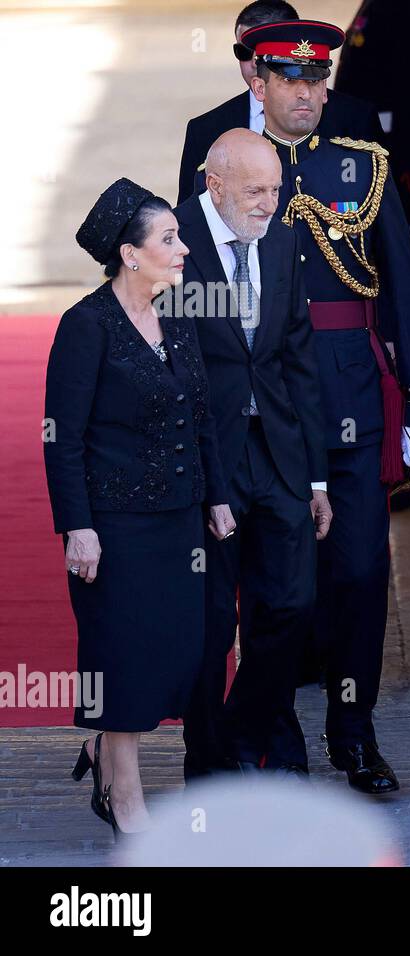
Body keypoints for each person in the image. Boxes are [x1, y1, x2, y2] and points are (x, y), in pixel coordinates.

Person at [242, 18, 410, 794]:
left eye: (317, 80)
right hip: (268, 405)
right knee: (278, 582)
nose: (307, 93)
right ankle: (281, 739)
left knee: (359, 575)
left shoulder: (365, 169)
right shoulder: (227, 169)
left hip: (352, 389)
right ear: (259, 84)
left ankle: (354, 735)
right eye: (291, 79)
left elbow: (404, 289)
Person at [45, 179, 236, 837]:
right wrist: (78, 528)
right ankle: (122, 793)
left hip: (180, 520)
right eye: (169, 239)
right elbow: (62, 437)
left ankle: (101, 744)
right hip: (114, 525)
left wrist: (216, 496)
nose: (183, 248)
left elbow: (202, 415)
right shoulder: (85, 326)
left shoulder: (177, 315)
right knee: (121, 658)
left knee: (181, 652)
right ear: (130, 253)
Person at [171, 129, 331, 781]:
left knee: (292, 603)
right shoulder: (170, 236)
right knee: (209, 621)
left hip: (280, 455)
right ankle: (207, 760)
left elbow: (298, 359)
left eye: (276, 189)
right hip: (206, 457)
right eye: (256, 191)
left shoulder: (285, 237)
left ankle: (245, 729)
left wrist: (317, 475)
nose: (271, 204)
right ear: (215, 185)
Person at [176, 0, 381, 204]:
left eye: (268, 55)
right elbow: (190, 225)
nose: (257, 62)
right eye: (245, 52)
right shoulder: (204, 130)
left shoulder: (356, 117)